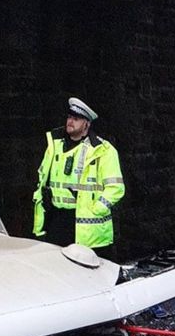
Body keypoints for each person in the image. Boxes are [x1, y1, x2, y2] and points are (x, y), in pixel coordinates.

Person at [32, 98, 125, 260]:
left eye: (76, 119)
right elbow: (43, 178)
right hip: (56, 219)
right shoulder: (55, 145)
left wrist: (96, 209)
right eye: (69, 118)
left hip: (86, 224)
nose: (70, 122)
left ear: (86, 124)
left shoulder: (103, 150)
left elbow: (116, 188)